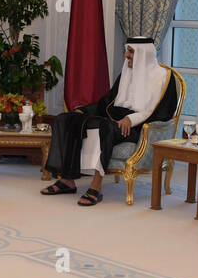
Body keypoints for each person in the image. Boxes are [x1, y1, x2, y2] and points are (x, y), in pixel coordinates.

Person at [41, 36, 177, 206]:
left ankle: (96, 187)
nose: (126, 55)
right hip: (115, 119)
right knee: (65, 119)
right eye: (127, 51)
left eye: (131, 52)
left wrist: (131, 119)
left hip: (137, 127)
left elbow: (162, 112)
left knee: (103, 127)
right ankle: (66, 180)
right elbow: (107, 102)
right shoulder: (126, 73)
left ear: (144, 54)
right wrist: (84, 110)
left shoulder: (164, 78)